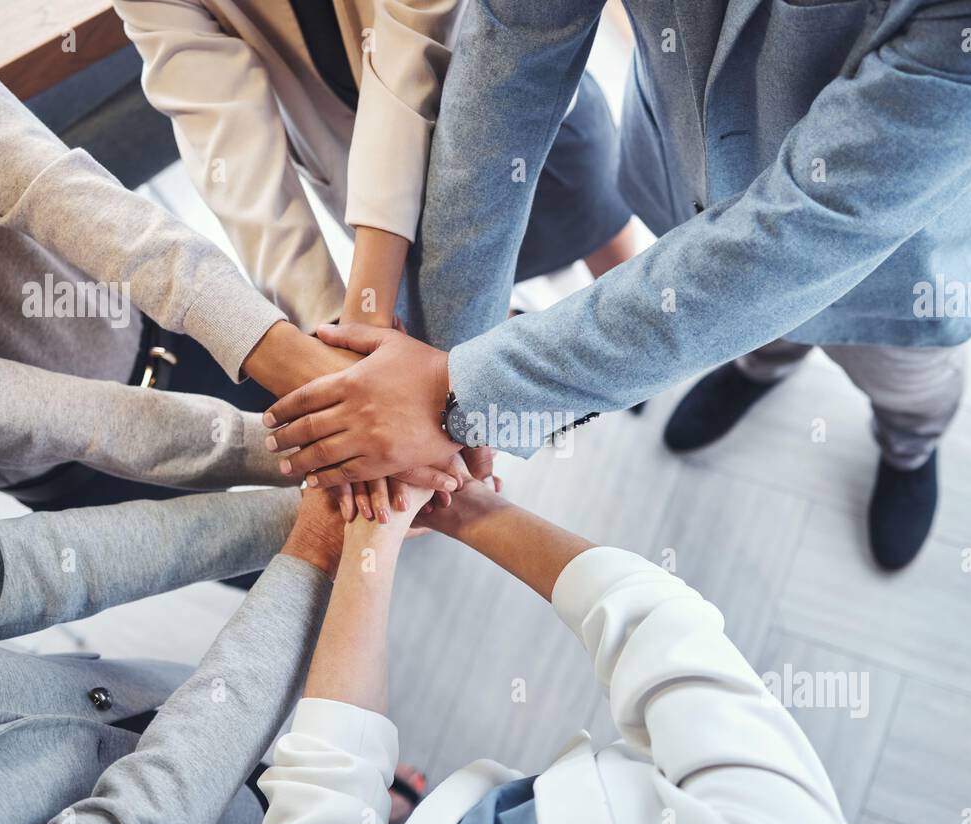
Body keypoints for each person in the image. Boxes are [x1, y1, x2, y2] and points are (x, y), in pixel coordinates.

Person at [260, 0, 971, 570]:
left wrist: (458, 391)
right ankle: (758, 369)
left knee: (911, 389)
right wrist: (447, 352)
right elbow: (516, 39)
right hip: (689, 183)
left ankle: (908, 449)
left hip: (893, 268)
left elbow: (814, 222)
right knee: (754, 332)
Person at [0, 0, 454, 513]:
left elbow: (19, 160)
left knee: (364, 500)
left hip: (140, 316)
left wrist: (335, 353)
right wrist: (337, 411)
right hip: (50, 452)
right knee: (286, 557)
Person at [112, 0, 639, 519]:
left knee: (596, 228)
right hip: (355, 155)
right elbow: (223, 134)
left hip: (506, 97)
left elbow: (417, 28)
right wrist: (340, 347)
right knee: (442, 321)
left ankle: (633, 367)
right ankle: (536, 356)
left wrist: (364, 329)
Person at [253, 476, 861, 824]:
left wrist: (377, 526)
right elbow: (657, 631)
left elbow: (318, 808)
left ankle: (394, 817)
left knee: (263, 808)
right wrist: (459, 503)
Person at [0, 487, 345, 824]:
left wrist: (303, 512)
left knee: (325, 780)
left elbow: (7, 573)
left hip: (128, 709)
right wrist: (314, 554)